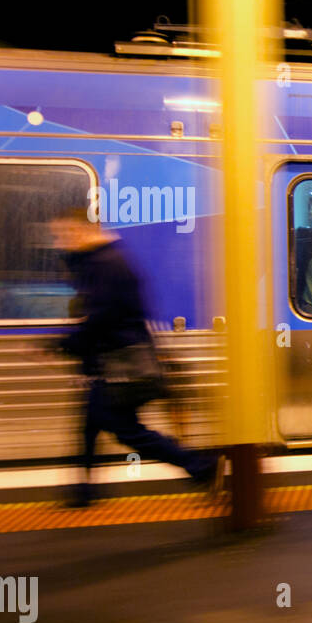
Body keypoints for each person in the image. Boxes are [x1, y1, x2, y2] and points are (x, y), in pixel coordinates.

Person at [48, 207, 222, 508]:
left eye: (65, 233)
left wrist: (62, 345)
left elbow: (101, 318)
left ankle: (201, 464)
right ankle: (83, 492)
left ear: (85, 230)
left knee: (127, 430)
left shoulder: (109, 265)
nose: (59, 241)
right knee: (90, 423)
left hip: (121, 364)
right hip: (110, 362)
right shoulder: (98, 262)